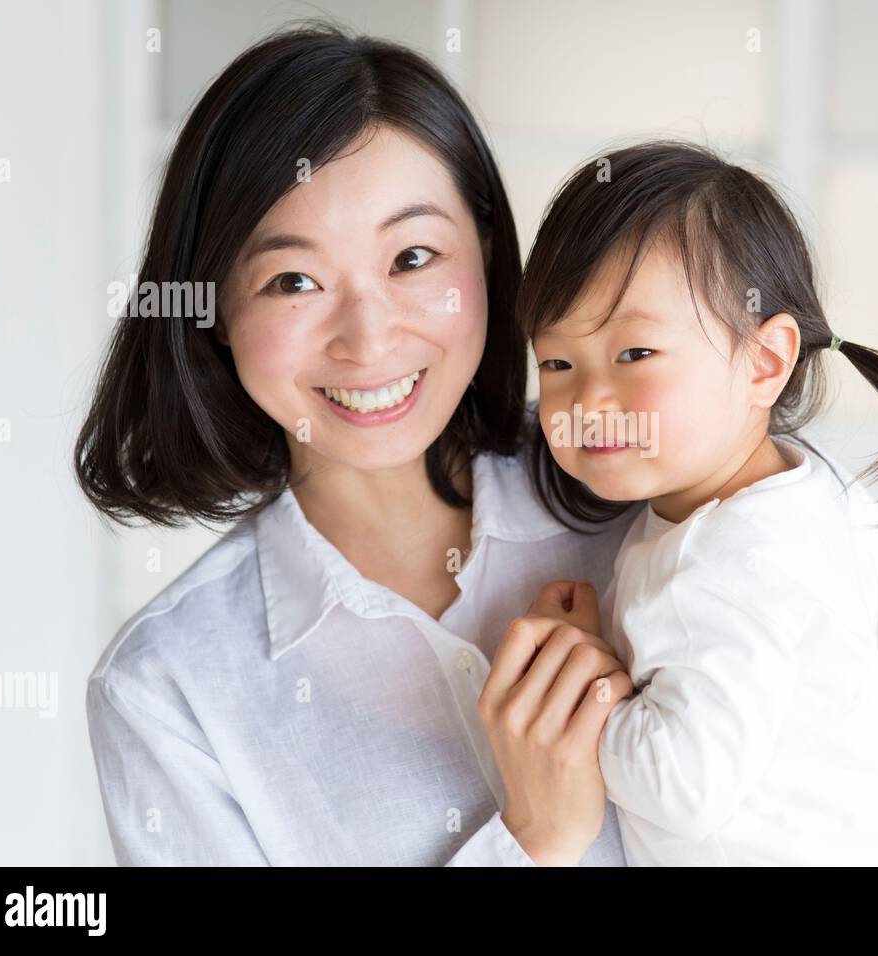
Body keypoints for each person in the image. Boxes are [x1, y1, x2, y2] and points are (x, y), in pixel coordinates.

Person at [74, 24, 638, 866]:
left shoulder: (642, 489)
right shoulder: (169, 689)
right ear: (214, 311)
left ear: (484, 252)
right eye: (293, 281)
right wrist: (532, 840)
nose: (368, 340)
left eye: (413, 257)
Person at [516, 141, 878, 865]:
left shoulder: (728, 564)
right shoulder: (805, 493)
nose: (588, 398)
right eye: (556, 363)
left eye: (635, 354)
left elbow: (682, 786)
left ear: (765, 362)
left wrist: (585, 683)